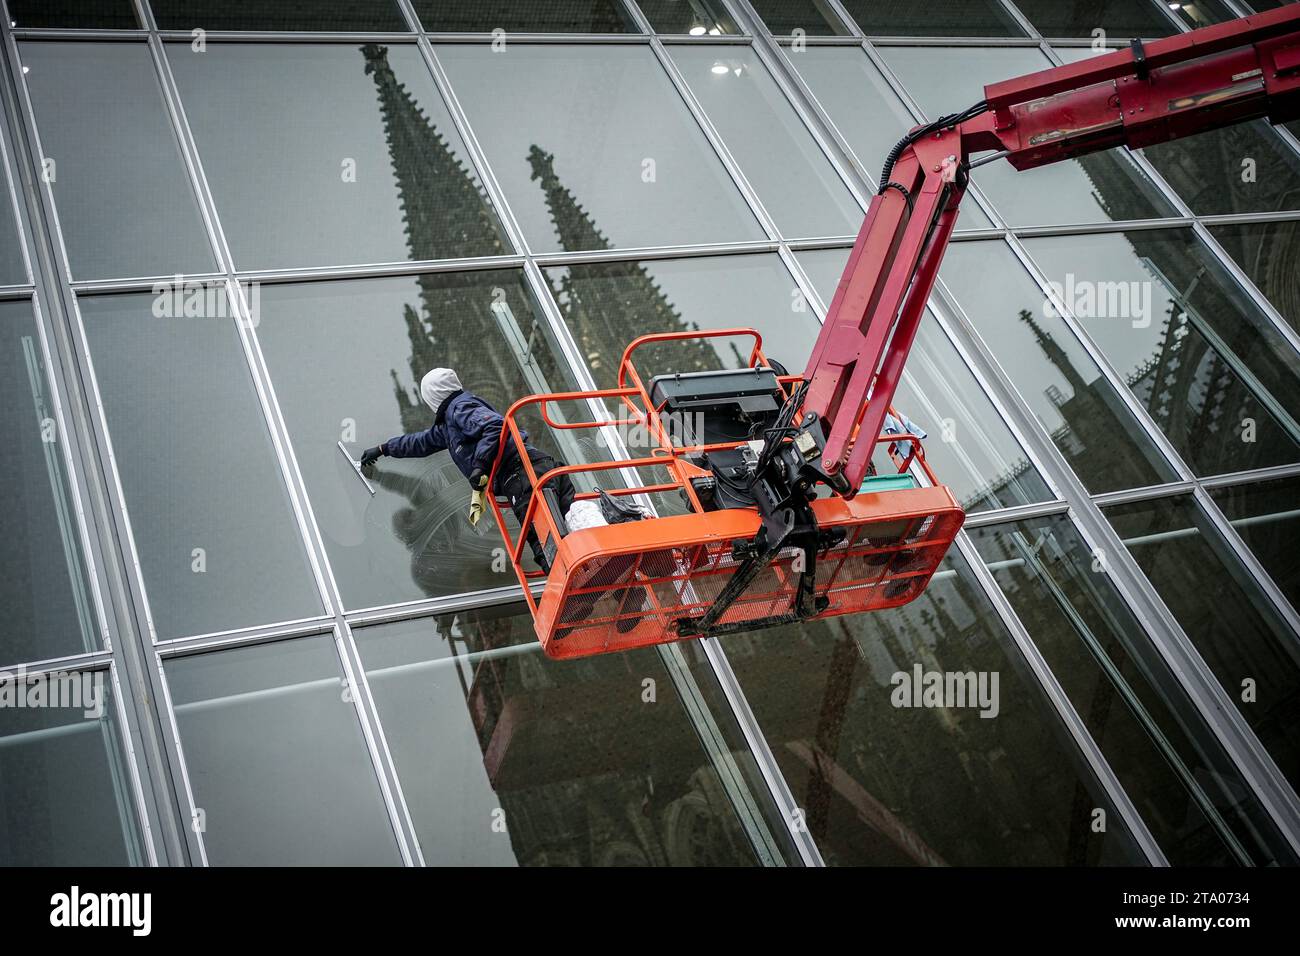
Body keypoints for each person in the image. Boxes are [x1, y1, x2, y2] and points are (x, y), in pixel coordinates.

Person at [361, 368, 575, 572]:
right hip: (534, 466)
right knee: (573, 522)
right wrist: (384, 448)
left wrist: (480, 465)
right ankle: (594, 572)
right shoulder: (449, 424)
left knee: (542, 537)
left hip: (520, 473)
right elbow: (420, 442)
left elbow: (495, 426)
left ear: (433, 396)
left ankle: (576, 589)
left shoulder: (458, 407)